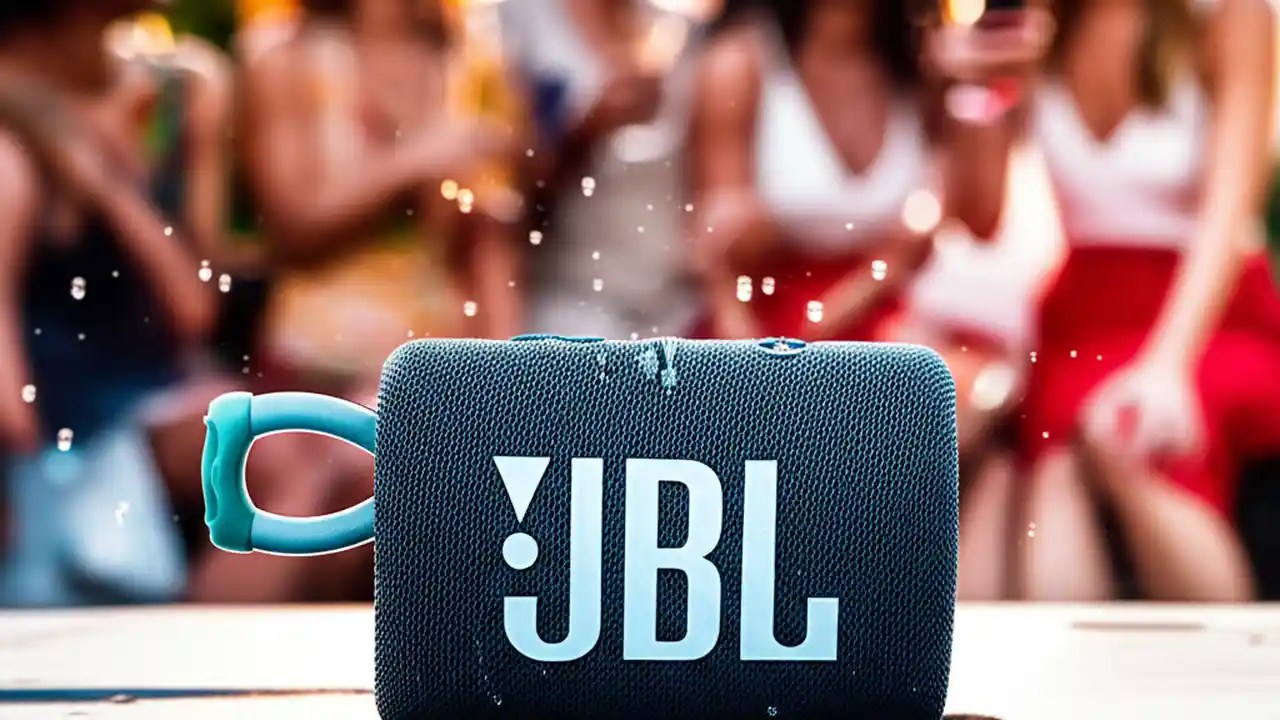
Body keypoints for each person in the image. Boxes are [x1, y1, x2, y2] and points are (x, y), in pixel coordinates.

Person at [0, 0, 357, 605]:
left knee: (348, 465)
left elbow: (195, 303)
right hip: (77, 426)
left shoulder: (169, 92)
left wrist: (105, 179)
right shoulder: (15, 143)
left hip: (152, 392)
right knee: (291, 463)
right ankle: (201, 656)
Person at [940, 0, 1280, 601]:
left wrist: (1166, 366)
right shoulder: (1042, 27)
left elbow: (1229, 213)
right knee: (1027, 483)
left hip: (1205, 311)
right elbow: (980, 216)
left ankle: (1228, 663)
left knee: (1119, 443)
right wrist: (974, 91)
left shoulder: (1231, 13)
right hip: (1082, 319)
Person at [244, 0, 522, 398]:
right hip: (318, 368)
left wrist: (505, 378)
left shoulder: (473, 59)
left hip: (444, 366)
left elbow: (490, 243)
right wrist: (411, 164)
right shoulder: (285, 57)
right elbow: (292, 231)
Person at [689, 0, 943, 342]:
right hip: (760, 325)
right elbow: (718, 255)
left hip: (883, 319)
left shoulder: (922, 70)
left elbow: (963, 220)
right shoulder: (740, 64)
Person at [496, 0, 704, 340]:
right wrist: (585, 131)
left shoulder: (682, 31)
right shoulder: (512, 23)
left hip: (676, 305)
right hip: (566, 301)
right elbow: (506, 193)